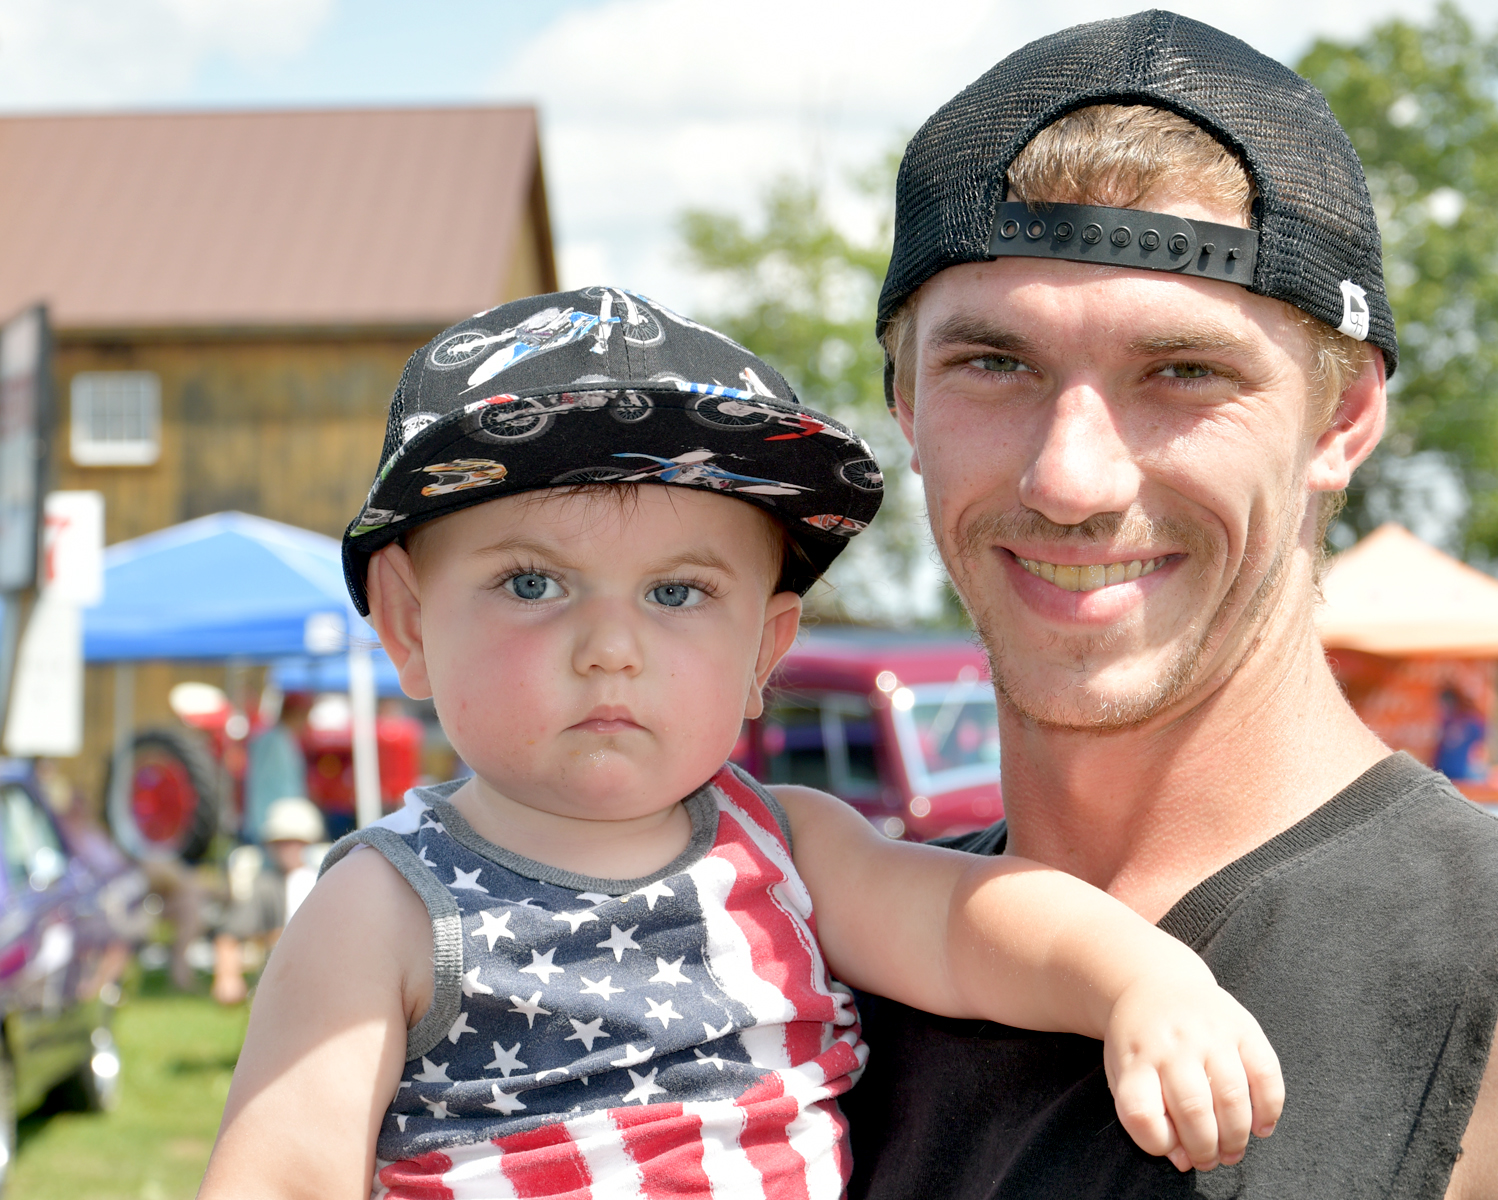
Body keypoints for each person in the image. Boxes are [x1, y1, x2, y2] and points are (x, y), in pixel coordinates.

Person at [840, 11, 1498, 1198]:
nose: (1070, 479)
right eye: (995, 364)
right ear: (906, 404)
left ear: (1341, 421)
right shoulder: (803, 975)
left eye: (1183, 372)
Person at [198, 288, 1284, 1198]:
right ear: (408, 624)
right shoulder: (386, 909)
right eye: (531, 584)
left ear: (765, 649)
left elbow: (968, 924)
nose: (611, 649)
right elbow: (281, 1177)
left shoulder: (785, 850)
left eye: (677, 592)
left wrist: (1138, 980)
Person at [210, 796, 328, 1006]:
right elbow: (230, 935)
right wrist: (227, 977)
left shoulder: (329, 879)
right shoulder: (265, 887)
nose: (287, 849)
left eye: (294, 842)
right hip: (286, 976)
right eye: (280, 843)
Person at [242, 691, 311, 843]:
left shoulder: (278, 739)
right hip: (272, 823)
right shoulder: (277, 742)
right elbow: (283, 787)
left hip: (271, 821)